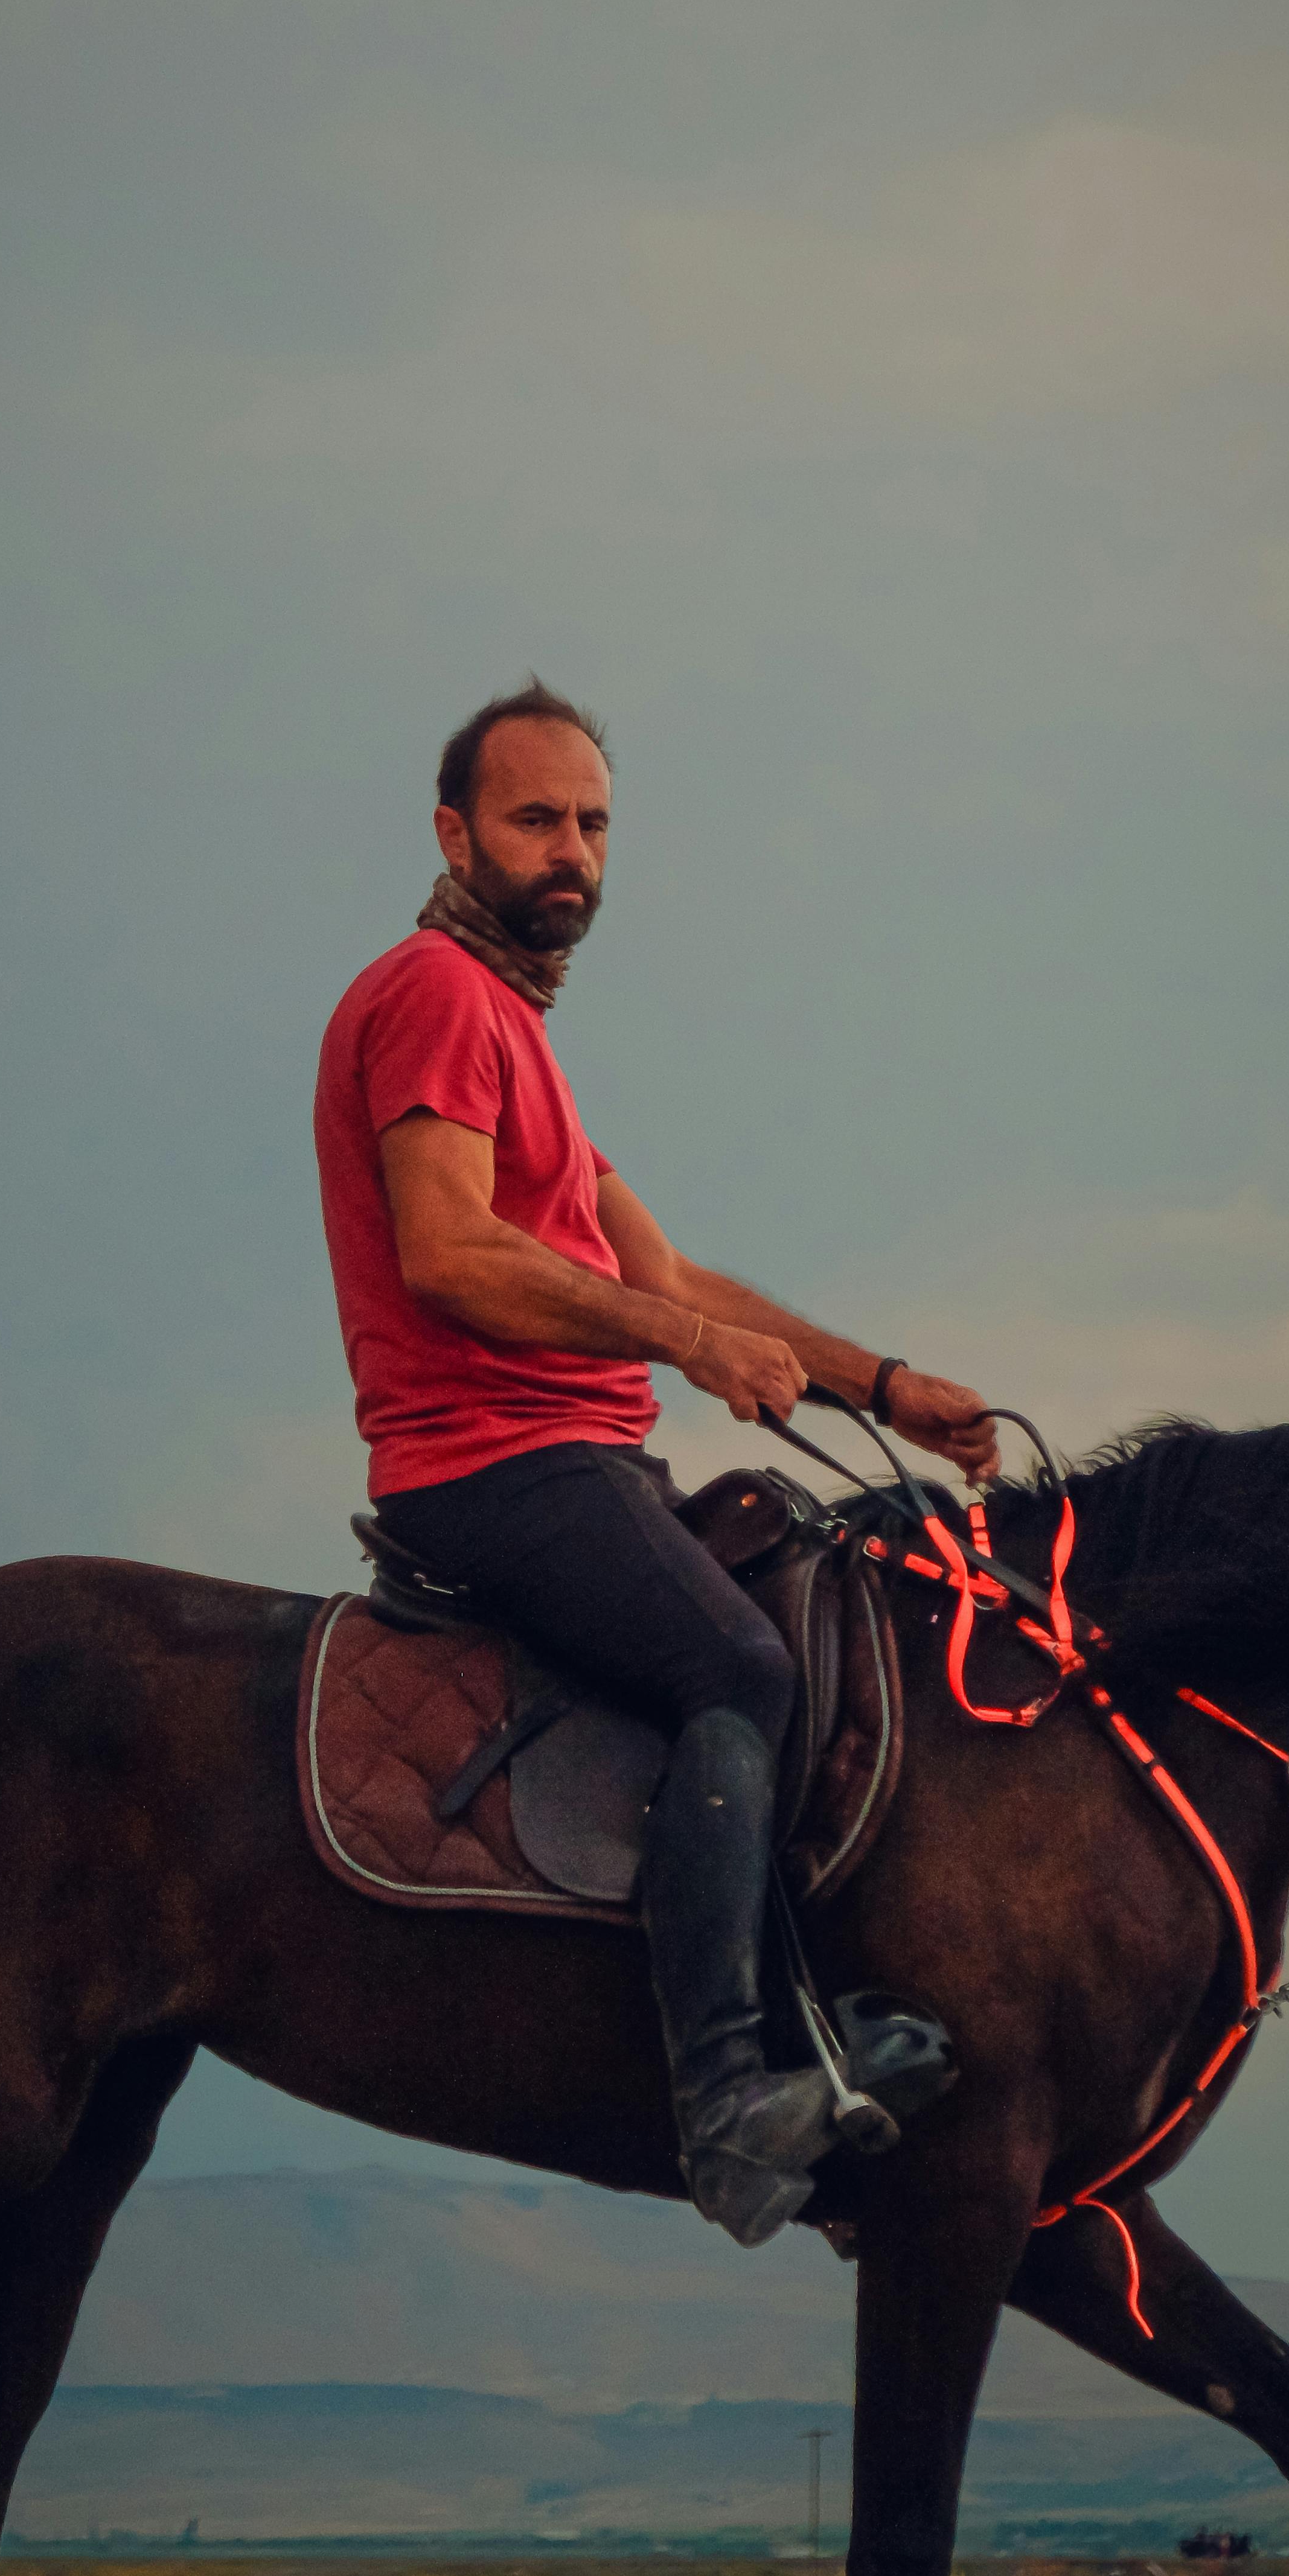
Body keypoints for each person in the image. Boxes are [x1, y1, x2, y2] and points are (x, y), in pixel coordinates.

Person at [313, 678, 999, 2245]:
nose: (572, 851)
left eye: (595, 824)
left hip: (581, 1456)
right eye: (535, 819)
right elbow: (446, 1251)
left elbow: (667, 1276)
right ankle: (729, 2103)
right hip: (489, 1463)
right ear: (454, 835)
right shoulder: (434, 994)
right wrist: (685, 1349)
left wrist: (888, 1388)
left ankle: (815, 2033)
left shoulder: (519, 1034)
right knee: (737, 1667)